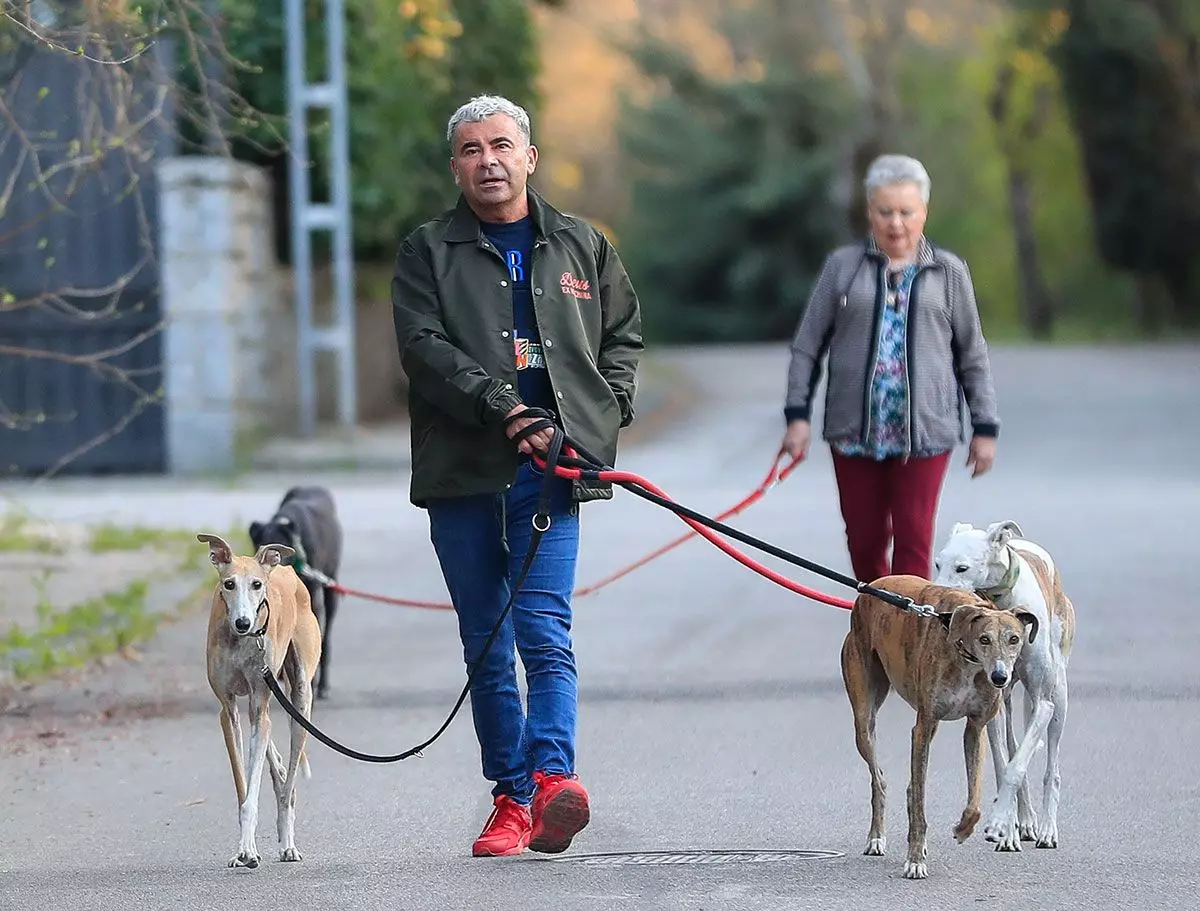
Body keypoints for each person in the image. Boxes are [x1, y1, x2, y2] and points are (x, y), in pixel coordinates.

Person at [391, 94, 643, 858]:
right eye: (471, 149)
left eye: (501, 144)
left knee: (544, 628)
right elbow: (424, 347)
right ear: (456, 166)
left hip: (554, 475)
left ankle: (553, 782)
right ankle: (510, 795)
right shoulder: (427, 251)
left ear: (530, 156)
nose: (488, 160)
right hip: (464, 472)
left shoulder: (582, 244)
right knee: (487, 640)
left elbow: (623, 333)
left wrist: (607, 411)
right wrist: (503, 407)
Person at [780, 154, 999, 584]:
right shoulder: (842, 268)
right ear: (870, 213)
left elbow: (972, 352)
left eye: (906, 211)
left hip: (925, 433)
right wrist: (797, 417)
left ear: (924, 212)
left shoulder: (949, 273)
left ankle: (912, 641)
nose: (896, 223)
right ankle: (878, 627)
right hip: (854, 432)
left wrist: (985, 427)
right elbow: (807, 346)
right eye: (885, 212)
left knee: (915, 542)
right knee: (864, 541)